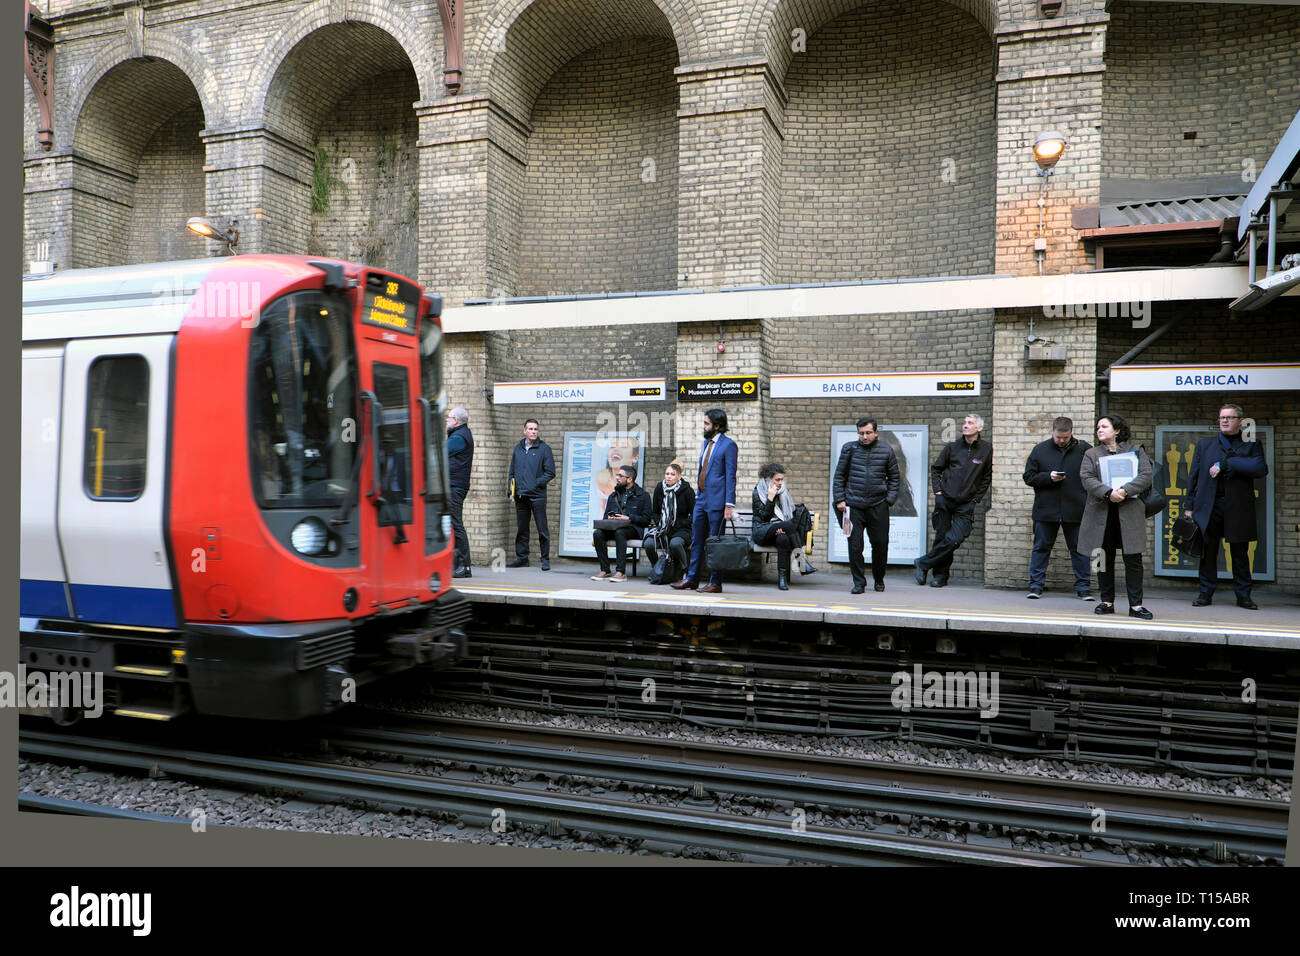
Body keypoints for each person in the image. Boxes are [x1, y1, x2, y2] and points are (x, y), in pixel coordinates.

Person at [1184, 404, 1269, 609]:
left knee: (1240, 554)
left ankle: (1243, 596)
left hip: (1238, 507)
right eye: (1222, 417)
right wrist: (1189, 506)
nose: (1224, 421)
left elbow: (1259, 468)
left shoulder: (1251, 444)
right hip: (1208, 506)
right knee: (1208, 553)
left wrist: (1225, 464)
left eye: (1230, 417)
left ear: (1240, 421)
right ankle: (1205, 593)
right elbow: (1193, 477)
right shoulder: (1204, 445)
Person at [1078, 414, 1154, 619]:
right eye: (1097, 427)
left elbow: (1146, 476)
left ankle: (1136, 606)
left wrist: (1124, 491)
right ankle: (1106, 601)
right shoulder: (1091, 454)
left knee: (1133, 559)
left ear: (1117, 430)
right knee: (1102, 558)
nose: (1099, 430)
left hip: (1128, 510)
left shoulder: (1136, 451)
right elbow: (1086, 478)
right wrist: (1107, 492)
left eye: (1104, 426)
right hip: (1102, 513)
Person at [914, 413, 992, 588]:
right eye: (964, 422)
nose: (965, 425)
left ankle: (923, 563)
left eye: (970, 423)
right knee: (942, 537)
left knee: (954, 539)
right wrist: (939, 493)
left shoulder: (986, 450)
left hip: (966, 504)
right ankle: (940, 576)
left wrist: (975, 500)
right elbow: (936, 470)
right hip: (945, 501)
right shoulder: (953, 447)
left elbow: (986, 477)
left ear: (979, 428)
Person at [1022, 416, 1093, 600]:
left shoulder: (1084, 449)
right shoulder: (1040, 450)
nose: (1061, 441)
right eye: (1058, 437)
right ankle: (1036, 586)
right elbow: (1028, 477)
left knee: (1079, 550)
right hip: (1046, 510)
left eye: (1065, 437)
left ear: (1071, 432)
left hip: (1076, 509)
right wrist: (1048, 477)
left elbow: (1095, 474)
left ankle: (1084, 589)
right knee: (1041, 548)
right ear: (1052, 431)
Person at [671, 408, 738, 593]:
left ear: (717, 426)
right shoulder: (705, 444)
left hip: (717, 501)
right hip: (701, 499)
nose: (704, 426)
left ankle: (715, 582)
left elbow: (730, 476)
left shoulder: (729, 445)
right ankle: (691, 579)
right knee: (697, 540)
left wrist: (729, 504)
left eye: (707, 423)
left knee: (715, 543)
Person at [833, 417, 900, 594]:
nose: (864, 436)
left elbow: (894, 478)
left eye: (868, 433)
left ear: (876, 433)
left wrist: (889, 500)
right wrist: (840, 499)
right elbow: (839, 476)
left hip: (878, 505)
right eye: (861, 433)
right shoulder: (849, 449)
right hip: (853, 506)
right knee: (854, 545)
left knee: (880, 543)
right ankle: (859, 583)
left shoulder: (886, 450)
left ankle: (879, 579)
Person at [506, 418, 555, 570]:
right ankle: (522, 558)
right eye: (531, 429)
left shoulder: (544, 449)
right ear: (525, 431)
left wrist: (536, 483)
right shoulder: (518, 449)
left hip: (537, 496)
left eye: (535, 429)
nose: (533, 431)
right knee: (522, 529)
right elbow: (512, 472)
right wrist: (511, 491)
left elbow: (550, 472)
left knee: (542, 529)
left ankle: (545, 559)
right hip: (521, 496)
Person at [752, 464, 809, 591]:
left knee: (783, 539)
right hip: (762, 531)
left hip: (779, 530)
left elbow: (788, 514)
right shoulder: (758, 492)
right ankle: (801, 562)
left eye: (782, 479)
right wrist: (770, 498)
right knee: (788, 525)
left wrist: (779, 527)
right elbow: (764, 518)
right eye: (777, 480)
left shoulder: (783, 492)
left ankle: (782, 580)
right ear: (768, 478)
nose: (780, 483)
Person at [591, 465, 652, 582]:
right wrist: (609, 518)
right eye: (617, 475)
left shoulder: (643, 496)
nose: (617, 477)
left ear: (629, 479)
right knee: (598, 534)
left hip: (632, 529)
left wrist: (629, 518)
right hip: (613, 528)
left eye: (620, 475)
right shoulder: (613, 496)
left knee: (620, 533)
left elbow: (646, 520)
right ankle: (606, 570)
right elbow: (605, 518)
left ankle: (621, 572)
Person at [643, 462, 694, 585]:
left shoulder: (687, 490)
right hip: (663, 527)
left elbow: (694, 514)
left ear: (679, 477)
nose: (669, 477)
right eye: (667, 474)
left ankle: (685, 571)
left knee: (675, 544)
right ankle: (658, 569)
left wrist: (679, 524)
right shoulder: (660, 488)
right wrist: (660, 523)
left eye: (672, 474)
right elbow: (654, 512)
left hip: (682, 529)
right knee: (649, 544)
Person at [445, 406, 474, 578]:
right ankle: (456, 563)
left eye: (448, 418)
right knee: (452, 525)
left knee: (456, 524)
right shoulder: (461, 434)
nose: (447, 420)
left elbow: (440, 451)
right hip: (455, 485)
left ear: (456, 421)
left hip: (455, 486)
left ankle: (465, 566)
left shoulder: (459, 437)